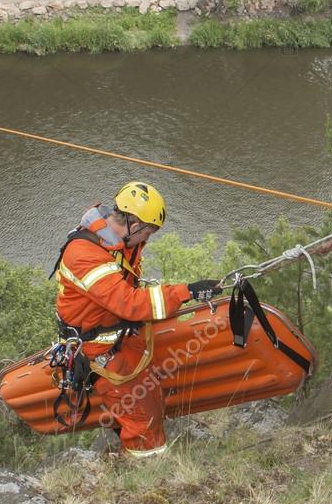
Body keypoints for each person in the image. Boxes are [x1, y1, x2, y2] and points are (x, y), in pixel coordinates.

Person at [54, 181, 221, 457]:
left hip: (119, 337)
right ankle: (145, 469)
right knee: (142, 421)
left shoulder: (116, 242)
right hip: (98, 350)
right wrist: (185, 291)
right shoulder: (86, 254)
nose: (148, 239)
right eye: (148, 231)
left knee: (151, 396)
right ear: (132, 221)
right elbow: (129, 303)